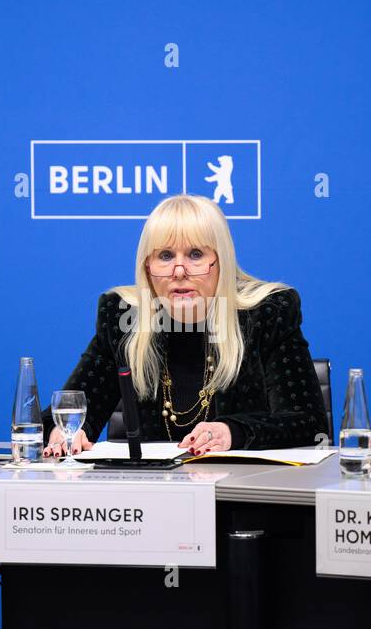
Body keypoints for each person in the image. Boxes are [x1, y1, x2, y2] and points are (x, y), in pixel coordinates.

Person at [43, 194, 327, 456]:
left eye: (195, 255)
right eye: (165, 256)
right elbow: (67, 414)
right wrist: (64, 432)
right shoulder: (123, 319)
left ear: (221, 261)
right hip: (150, 497)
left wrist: (234, 432)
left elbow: (309, 424)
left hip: (241, 498)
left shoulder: (267, 314)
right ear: (147, 267)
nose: (179, 271)